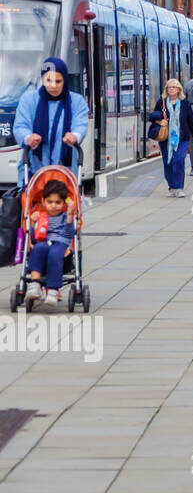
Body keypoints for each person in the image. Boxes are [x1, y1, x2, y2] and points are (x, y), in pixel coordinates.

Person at [13, 57, 89, 171]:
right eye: (49, 81)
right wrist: (28, 137)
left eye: (58, 81)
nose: (53, 86)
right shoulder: (29, 100)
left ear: (65, 80)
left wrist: (75, 136)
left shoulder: (77, 101)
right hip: (34, 169)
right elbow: (20, 125)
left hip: (65, 172)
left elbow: (80, 124)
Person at [22, 179, 75, 308]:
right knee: (38, 248)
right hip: (44, 241)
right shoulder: (41, 216)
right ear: (43, 201)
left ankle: (53, 290)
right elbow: (34, 238)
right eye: (50, 202)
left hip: (60, 242)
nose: (53, 205)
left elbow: (69, 235)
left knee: (55, 254)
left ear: (64, 203)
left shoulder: (64, 216)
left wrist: (69, 214)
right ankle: (35, 283)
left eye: (58, 202)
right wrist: (33, 223)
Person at [148, 78, 193, 198]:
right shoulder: (161, 102)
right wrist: (159, 121)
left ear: (178, 89)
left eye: (173, 87)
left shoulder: (184, 103)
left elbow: (191, 121)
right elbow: (151, 116)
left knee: (179, 160)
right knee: (168, 162)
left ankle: (179, 187)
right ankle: (172, 187)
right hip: (166, 138)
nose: (171, 89)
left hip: (182, 138)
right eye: (169, 87)